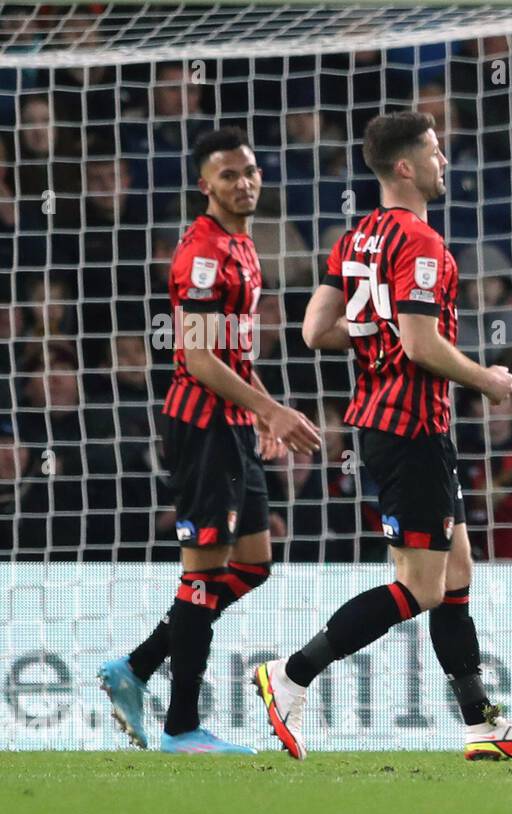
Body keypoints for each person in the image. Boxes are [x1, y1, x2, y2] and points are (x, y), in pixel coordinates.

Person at [252, 110, 512, 762]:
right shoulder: (422, 245)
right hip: (409, 428)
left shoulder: (356, 237)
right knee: (422, 587)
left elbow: (316, 329)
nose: (443, 160)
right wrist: (486, 378)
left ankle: (481, 724)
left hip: (399, 427)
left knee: (457, 571)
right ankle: (289, 674)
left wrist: (375, 331)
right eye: (434, 150)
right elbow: (422, 344)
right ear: (405, 167)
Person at [98, 127, 321, 755]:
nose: (244, 182)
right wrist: (271, 411)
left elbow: (231, 351)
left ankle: (136, 666)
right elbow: (197, 357)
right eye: (229, 175)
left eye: (249, 170)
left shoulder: (242, 245)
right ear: (205, 185)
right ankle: (181, 727)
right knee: (202, 574)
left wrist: (258, 416)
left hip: (232, 426)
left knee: (252, 563)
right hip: (200, 427)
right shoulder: (202, 253)